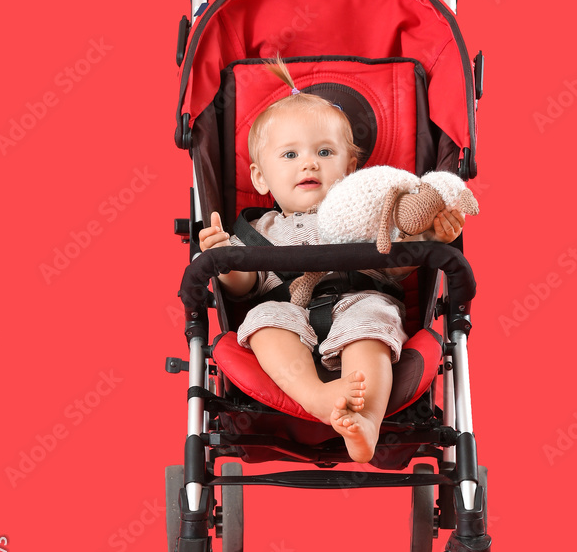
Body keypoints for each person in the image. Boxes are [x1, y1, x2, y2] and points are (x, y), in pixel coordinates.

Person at [199, 58, 464, 463]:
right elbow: (243, 287)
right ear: (259, 178)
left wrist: (431, 236)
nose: (309, 163)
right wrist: (225, 260)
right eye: (290, 155)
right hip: (289, 308)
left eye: (324, 152)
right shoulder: (260, 230)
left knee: (371, 326)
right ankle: (319, 396)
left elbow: (400, 263)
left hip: (361, 297)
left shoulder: (370, 217)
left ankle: (367, 420)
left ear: (351, 169)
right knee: (264, 320)